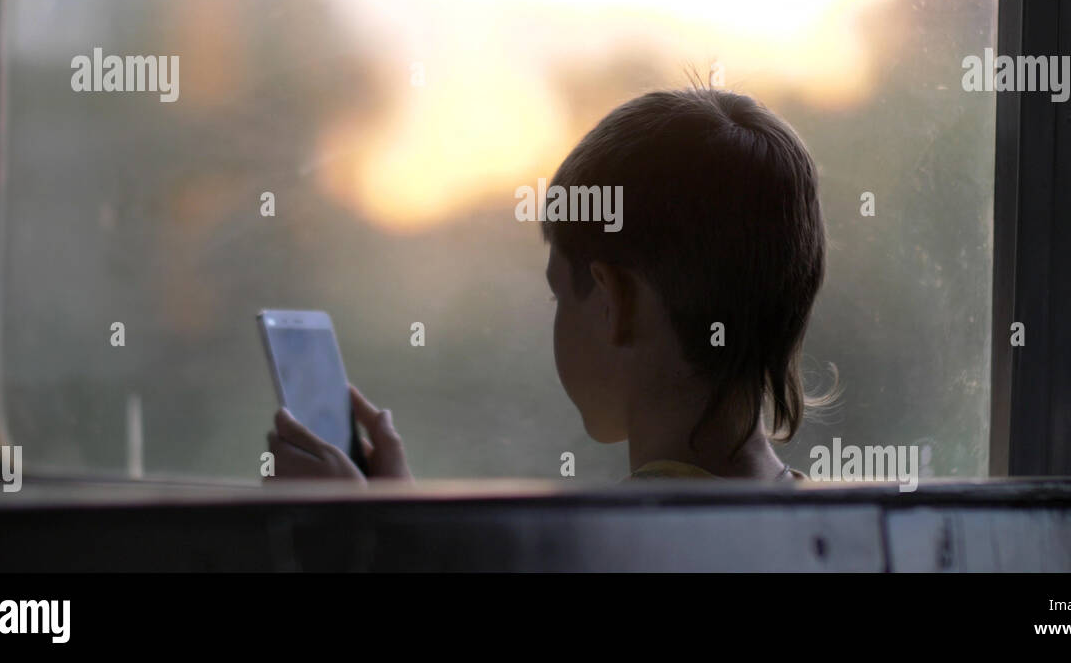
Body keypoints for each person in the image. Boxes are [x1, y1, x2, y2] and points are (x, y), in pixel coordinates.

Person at [266, 86, 831, 482]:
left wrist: (348, 544)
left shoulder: (617, 545)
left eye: (559, 294)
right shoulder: (820, 520)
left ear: (614, 302)